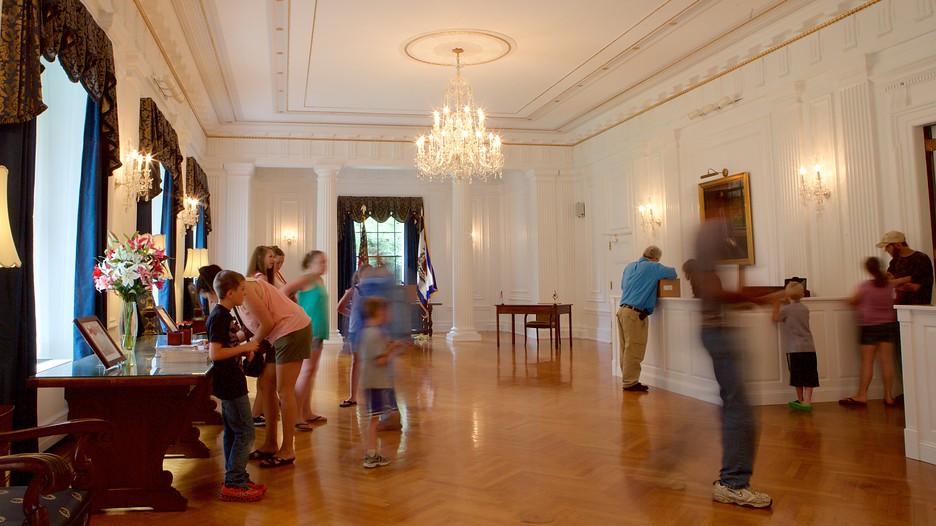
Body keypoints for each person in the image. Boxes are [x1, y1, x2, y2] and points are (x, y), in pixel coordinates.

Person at [691, 210, 772, 509]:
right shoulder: (706, 268)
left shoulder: (704, 263)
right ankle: (733, 483)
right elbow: (714, 293)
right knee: (740, 409)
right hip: (718, 335)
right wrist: (754, 298)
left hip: (716, 333)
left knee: (735, 405)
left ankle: (731, 480)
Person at [204, 270, 265, 502]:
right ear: (230, 292)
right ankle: (234, 482)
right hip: (230, 382)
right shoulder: (220, 316)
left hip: (231, 379)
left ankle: (235, 476)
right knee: (246, 432)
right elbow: (216, 353)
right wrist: (245, 347)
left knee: (232, 430)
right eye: (242, 289)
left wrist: (244, 343)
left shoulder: (224, 314)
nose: (245, 292)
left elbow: (226, 342)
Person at [839, 257, 907, 407]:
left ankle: (862, 395)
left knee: (867, 362)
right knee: (887, 362)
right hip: (888, 325)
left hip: (869, 325)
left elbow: (852, 300)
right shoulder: (889, 285)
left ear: (869, 270)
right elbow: (900, 288)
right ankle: (889, 396)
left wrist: (860, 304)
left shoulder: (865, 286)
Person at [616, 246, 677, 392]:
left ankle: (627, 379)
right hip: (635, 314)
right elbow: (673, 273)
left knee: (625, 348)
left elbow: (623, 286)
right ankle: (630, 382)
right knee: (634, 348)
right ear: (656, 258)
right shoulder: (654, 267)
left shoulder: (630, 267)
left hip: (622, 311)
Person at [281, 250, 329, 429]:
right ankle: (296, 415)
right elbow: (283, 291)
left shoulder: (319, 280)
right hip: (309, 330)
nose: (324, 265)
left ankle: (307, 411)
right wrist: (294, 309)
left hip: (319, 331)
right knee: (306, 373)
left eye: (325, 262)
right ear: (310, 264)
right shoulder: (307, 279)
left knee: (310, 373)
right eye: (320, 262)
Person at [357, 296, 406, 468]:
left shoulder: (368, 331)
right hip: (376, 384)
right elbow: (379, 360)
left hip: (371, 383)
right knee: (373, 421)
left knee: (373, 419)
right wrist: (392, 350)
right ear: (378, 312)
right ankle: (371, 455)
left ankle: (371, 453)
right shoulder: (375, 334)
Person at [772, 282, 819, 411]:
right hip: (809, 347)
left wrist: (776, 303)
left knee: (797, 375)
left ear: (787, 296)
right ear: (803, 295)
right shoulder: (805, 308)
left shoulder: (786, 309)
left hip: (794, 349)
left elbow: (775, 318)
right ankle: (807, 400)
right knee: (810, 375)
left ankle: (800, 398)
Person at [245, 246, 276, 426]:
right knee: (267, 379)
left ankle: (258, 412)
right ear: (260, 258)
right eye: (270, 256)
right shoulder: (261, 279)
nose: (273, 260)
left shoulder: (253, 279)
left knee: (265, 378)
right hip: (266, 332)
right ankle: (256, 414)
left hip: (261, 331)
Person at [336, 264, 370, 407]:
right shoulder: (352, 291)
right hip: (356, 330)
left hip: (370, 331)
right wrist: (352, 316)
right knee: (357, 362)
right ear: (359, 276)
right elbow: (340, 307)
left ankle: (370, 396)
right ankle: (353, 396)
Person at [877, 231, 934, 306]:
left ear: (898, 245)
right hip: (900, 307)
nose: (886, 250)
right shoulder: (895, 261)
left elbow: (914, 287)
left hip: (919, 308)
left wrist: (896, 282)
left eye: (887, 246)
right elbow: (888, 281)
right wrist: (904, 280)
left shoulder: (921, 258)